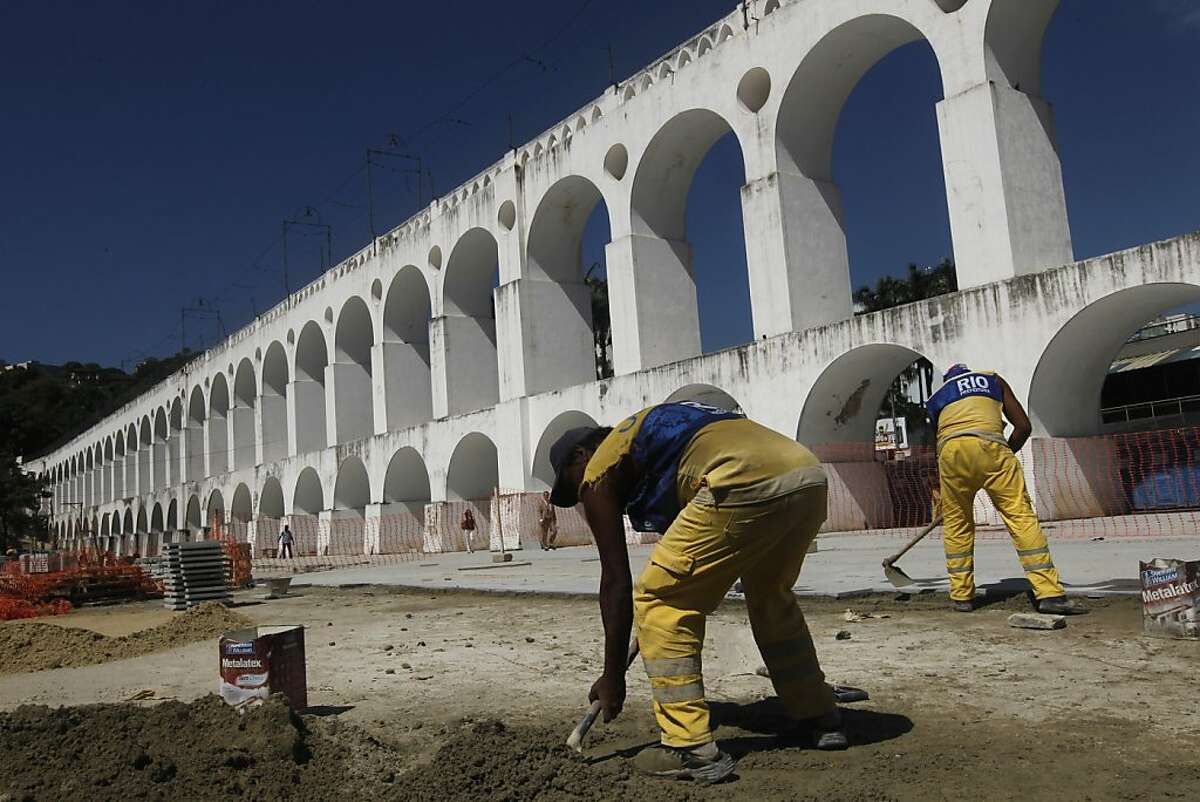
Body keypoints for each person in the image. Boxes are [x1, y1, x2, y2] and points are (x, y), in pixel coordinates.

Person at [548, 401, 844, 784]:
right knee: (771, 598)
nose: (581, 500)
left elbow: (616, 582)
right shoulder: (651, 442)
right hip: (806, 477)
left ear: (580, 455)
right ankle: (818, 716)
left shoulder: (600, 467)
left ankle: (689, 749)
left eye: (571, 486)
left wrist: (612, 677)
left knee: (659, 601)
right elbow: (700, 543)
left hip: (739, 479)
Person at [926, 364, 1087, 615]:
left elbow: (938, 440)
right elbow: (1023, 426)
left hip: (950, 456)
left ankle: (962, 597)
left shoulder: (937, 399)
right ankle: (1049, 594)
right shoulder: (992, 380)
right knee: (1020, 517)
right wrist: (1004, 454)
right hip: (990, 446)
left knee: (958, 525)